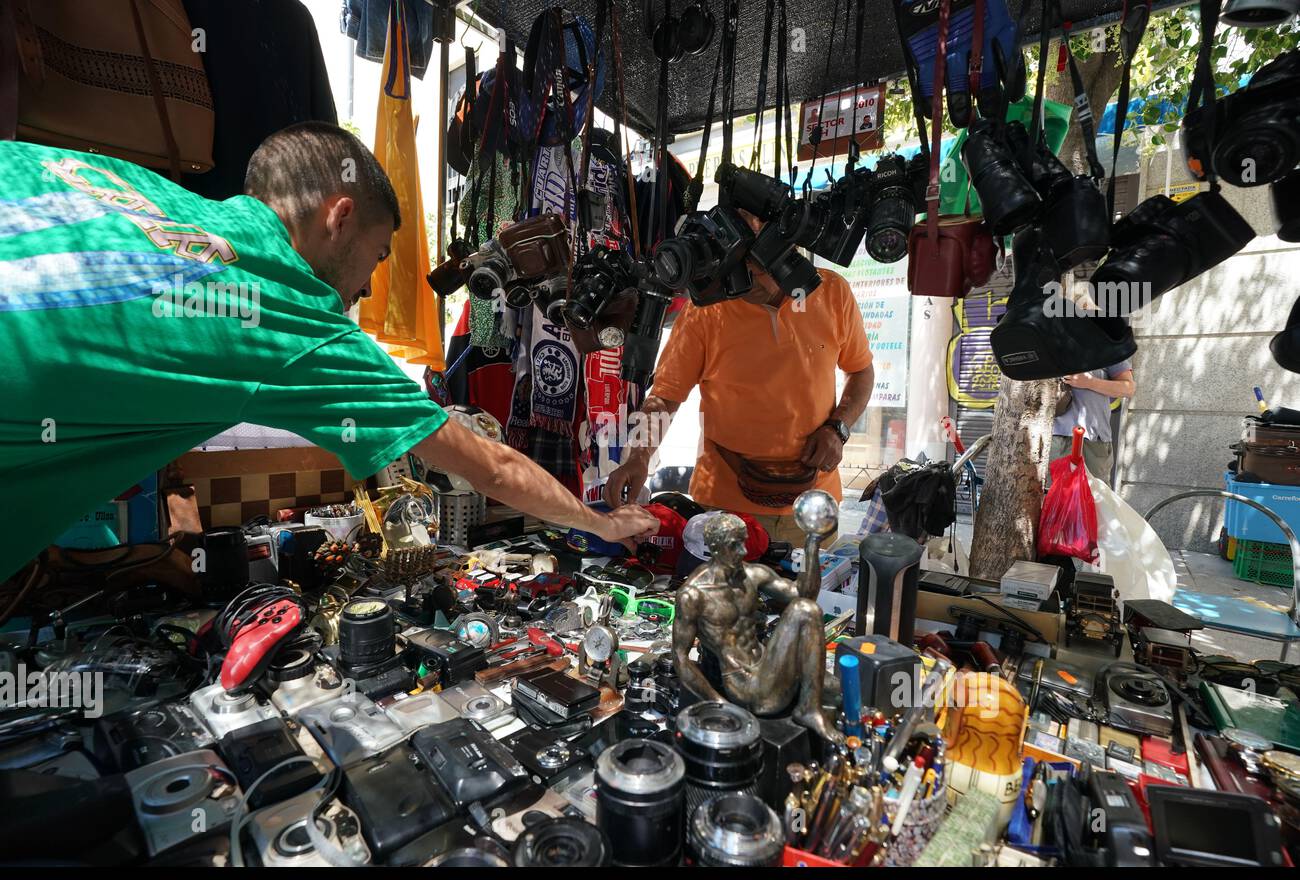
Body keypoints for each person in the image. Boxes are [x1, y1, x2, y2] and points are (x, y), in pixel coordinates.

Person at [0, 124, 655, 582]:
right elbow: (491, 469)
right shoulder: (287, 316)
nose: (367, 286)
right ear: (339, 217)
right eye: (374, 257)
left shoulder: (102, 175)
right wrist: (597, 523)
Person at [604, 215, 875, 542]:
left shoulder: (832, 293)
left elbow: (860, 370)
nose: (743, 281)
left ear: (782, 252)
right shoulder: (706, 309)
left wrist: (838, 428)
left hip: (813, 506)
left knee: (810, 594)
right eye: (733, 268)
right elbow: (665, 396)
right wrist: (638, 456)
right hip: (725, 508)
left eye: (752, 266)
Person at [672, 512, 841, 742]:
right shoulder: (693, 595)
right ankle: (808, 710)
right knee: (805, 610)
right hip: (745, 685)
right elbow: (680, 658)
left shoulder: (752, 574)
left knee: (836, 690)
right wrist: (718, 703)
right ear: (715, 547)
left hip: (766, 664)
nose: (743, 551)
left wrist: (812, 543)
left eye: (743, 542)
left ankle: (810, 709)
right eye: (734, 545)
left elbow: (805, 593)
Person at [1052, 363, 1136, 486]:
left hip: (1093, 442)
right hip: (1050, 439)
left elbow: (1128, 389)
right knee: (1049, 500)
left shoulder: (1107, 345)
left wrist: (1089, 382)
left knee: (1093, 500)